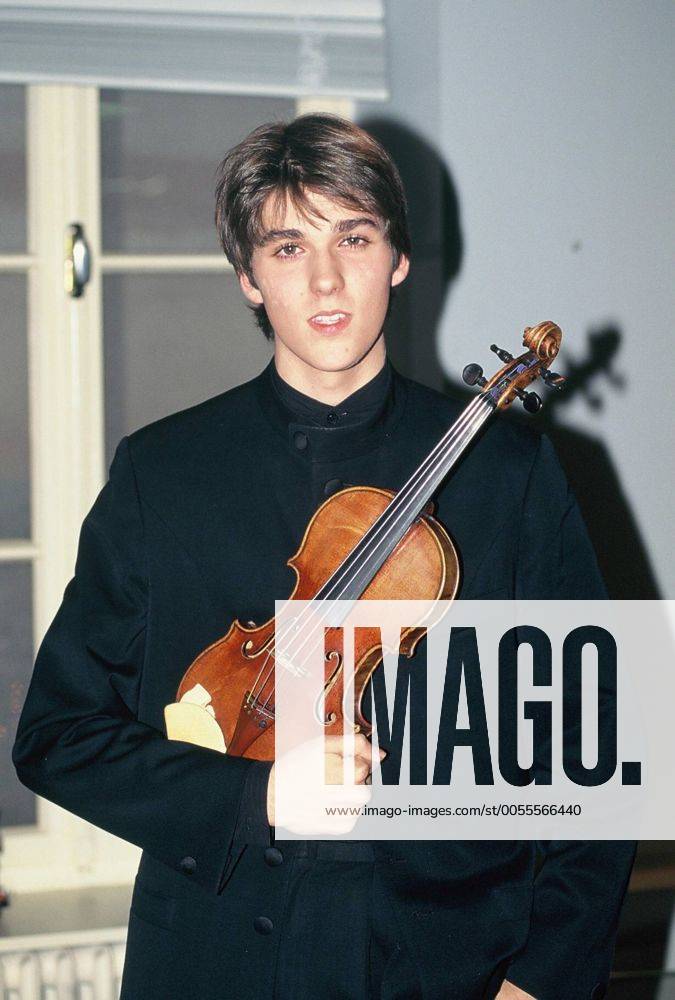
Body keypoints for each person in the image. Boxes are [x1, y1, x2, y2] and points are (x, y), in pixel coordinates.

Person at [13, 114, 635, 1000]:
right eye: (286, 247)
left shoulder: (509, 470)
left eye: (353, 236)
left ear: (398, 257)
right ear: (248, 276)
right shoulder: (164, 472)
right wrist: (256, 797)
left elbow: (598, 737)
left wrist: (540, 977)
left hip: (450, 968)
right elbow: (58, 738)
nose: (325, 278)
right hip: (215, 964)